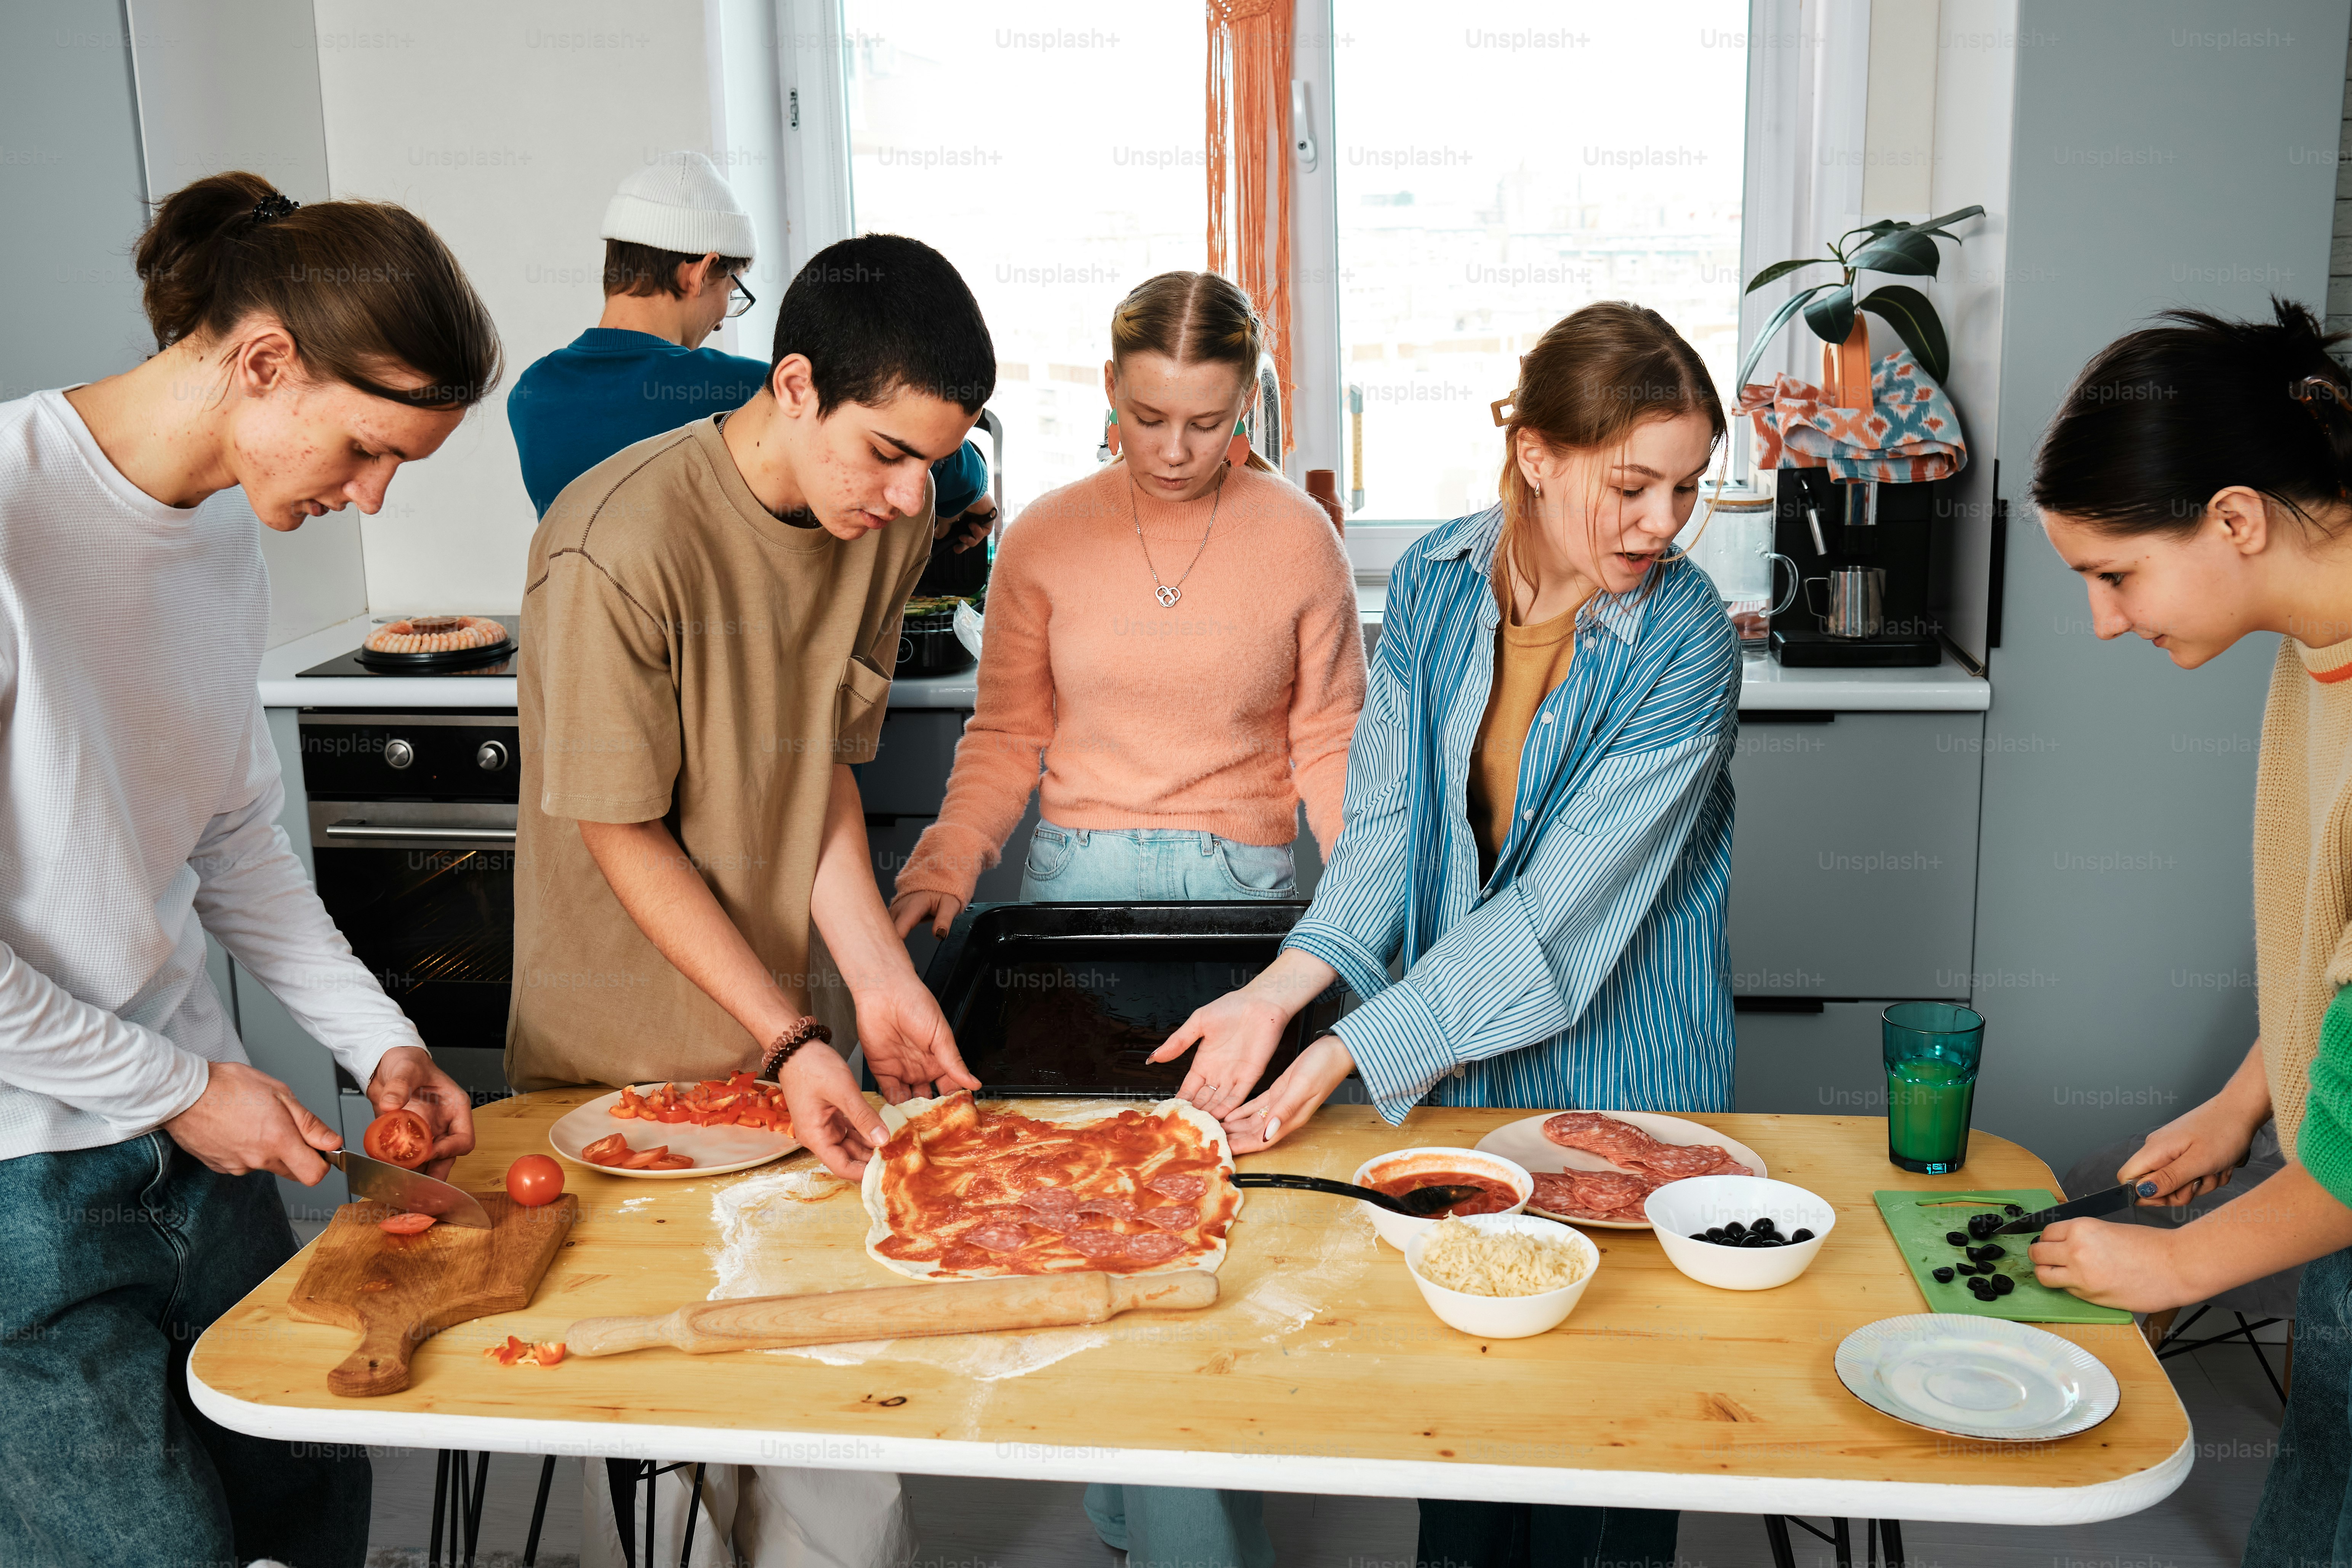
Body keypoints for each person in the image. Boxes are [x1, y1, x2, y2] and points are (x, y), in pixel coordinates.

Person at [1154, 300, 1738, 1568]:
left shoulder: (1685, 639)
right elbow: (1381, 836)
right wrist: (1278, 995)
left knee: (1603, 1467)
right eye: (1633, 485)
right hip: (1469, 1083)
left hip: (1621, 1089)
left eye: (1687, 490)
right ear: (1536, 452)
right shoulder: (1427, 583)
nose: (1663, 523)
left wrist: (1336, 1056)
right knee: (1464, 1445)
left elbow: (1551, 913)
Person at [0, 171, 495, 1568]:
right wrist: (177, 1091)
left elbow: (231, 845)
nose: (376, 498)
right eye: (366, 448)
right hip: (22, 1189)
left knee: (319, 1516)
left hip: (206, 1151)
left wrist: (380, 1046)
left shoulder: (222, 537)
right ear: (265, 360)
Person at [505, 232, 992, 1568]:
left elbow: (817, 769)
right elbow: (624, 834)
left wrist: (880, 985)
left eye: (932, 462)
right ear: (791, 386)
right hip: (635, 1060)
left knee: (845, 1418)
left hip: (807, 1041)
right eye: (886, 451)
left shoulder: (883, 524)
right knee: (680, 1448)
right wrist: (784, 1038)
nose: (908, 495)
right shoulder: (612, 542)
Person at [887, 269, 1363, 1568]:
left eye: (1206, 423)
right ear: (1108, 389)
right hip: (1074, 913)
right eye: (1148, 415)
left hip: (1248, 910)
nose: (1172, 450)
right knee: (1099, 1214)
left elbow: (1328, 737)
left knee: (1221, 1218)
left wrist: (1369, 901)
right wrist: (947, 855)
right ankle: (1156, 1512)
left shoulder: (1297, 539)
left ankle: (1174, 1519)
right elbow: (1009, 731)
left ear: (1248, 404)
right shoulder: (1046, 534)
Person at [2024, 298, 2352, 1566]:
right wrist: (2245, 1099)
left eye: (2115, 572)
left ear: (2234, 517)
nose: (2106, 619)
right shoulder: (2312, 639)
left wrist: (2175, 1266)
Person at [506, 149, 996, 556]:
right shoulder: (742, 392)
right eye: (731, 288)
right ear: (698, 272)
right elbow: (908, 435)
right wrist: (975, 489)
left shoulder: (530, 394)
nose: (722, 316)